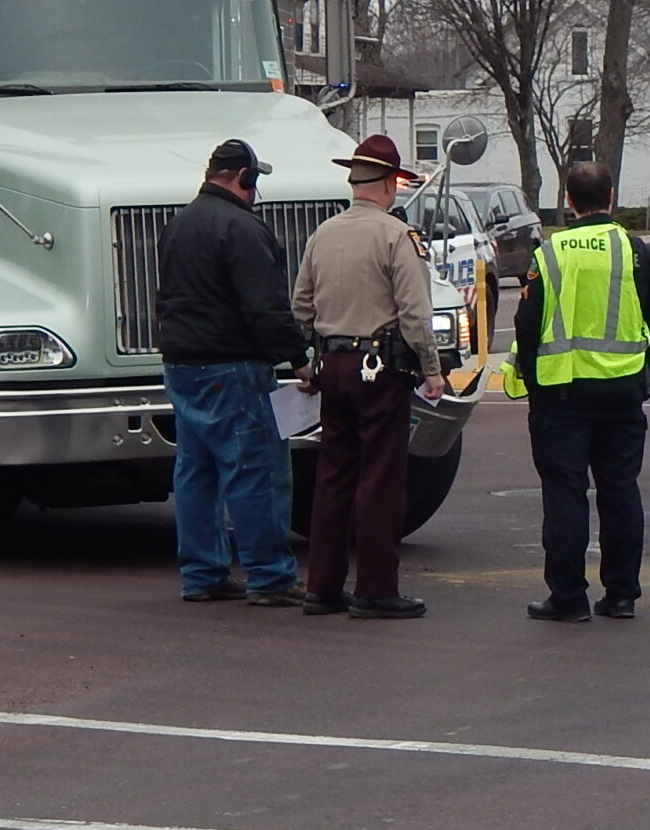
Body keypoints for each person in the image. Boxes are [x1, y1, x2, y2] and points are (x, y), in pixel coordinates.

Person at [509, 162, 650, 623]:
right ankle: (621, 595)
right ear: (612, 197)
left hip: (562, 392)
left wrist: (536, 383)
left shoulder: (550, 252)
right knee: (620, 490)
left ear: (568, 201)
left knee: (565, 493)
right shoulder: (637, 251)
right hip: (622, 390)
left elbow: (527, 324)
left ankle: (568, 597)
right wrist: (646, 373)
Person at [291, 133, 444, 619]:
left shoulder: (324, 233)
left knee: (333, 473)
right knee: (380, 477)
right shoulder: (396, 235)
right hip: (379, 369)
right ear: (390, 184)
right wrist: (433, 369)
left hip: (331, 365)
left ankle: (322, 585)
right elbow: (415, 312)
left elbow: (300, 306)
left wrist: (311, 358)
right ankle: (376, 587)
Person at [153, 138, 310, 604]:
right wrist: (299, 359)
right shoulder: (242, 228)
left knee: (195, 472)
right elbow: (265, 306)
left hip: (181, 365)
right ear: (244, 178)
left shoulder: (177, 225)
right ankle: (270, 576)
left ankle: (202, 574)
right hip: (233, 366)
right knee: (254, 470)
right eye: (254, 180)